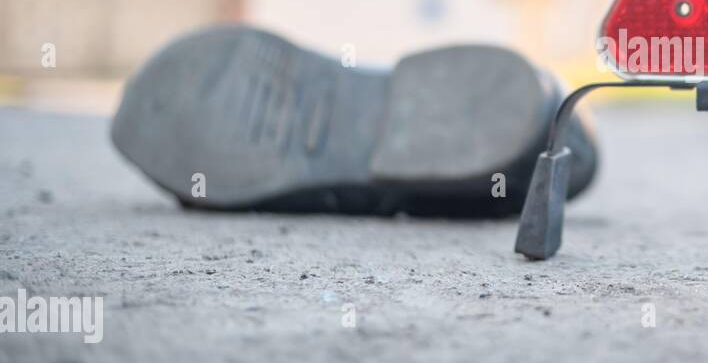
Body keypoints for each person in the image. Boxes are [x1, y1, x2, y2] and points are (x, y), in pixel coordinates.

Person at [111, 25, 596, 217]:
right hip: (539, 148)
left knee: (519, 157)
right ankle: (407, 191)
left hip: (535, 152)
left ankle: (390, 190)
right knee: (525, 155)